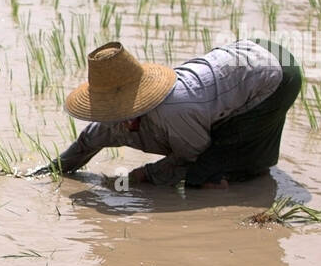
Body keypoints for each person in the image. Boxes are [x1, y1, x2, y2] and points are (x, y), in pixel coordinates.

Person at [50, 39, 303, 188]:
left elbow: (192, 156)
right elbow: (87, 142)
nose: (116, 122)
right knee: (220, 139)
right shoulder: (114, 120)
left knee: (204, 175)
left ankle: (253, 173)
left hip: (278, 72)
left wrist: (142, 176)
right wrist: (53, 170)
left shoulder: (172, 111)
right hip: (250, 50)